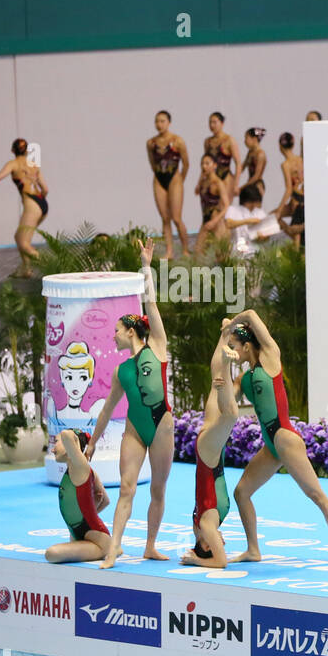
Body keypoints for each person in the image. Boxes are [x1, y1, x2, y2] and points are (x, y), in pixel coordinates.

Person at [226, 310, 328, 564]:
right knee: (241, 492)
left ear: (247, 346)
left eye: (234, 347)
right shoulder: (243, 378)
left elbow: (250, 313)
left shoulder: (270, 359)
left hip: (285, 437)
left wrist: (232, 323)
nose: (233, 352)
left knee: (315, 495)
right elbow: (229, 408)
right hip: (270, 446)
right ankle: (253, 550)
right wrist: (223, 360)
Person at [85, 239, 173, 568]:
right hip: (135, 430)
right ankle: (113, 549)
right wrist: (93, 443)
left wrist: (146, 266)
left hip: (162, 428)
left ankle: (150, 545)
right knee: (126, 487)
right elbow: (108, 410)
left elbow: (150, 304)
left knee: (159, 490)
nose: (114, 335)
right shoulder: (121, 370)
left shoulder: (157, 346)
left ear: (132, 331)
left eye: (118, 330)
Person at [182, 328, 241, 569]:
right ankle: (225, 332)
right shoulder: (200, 526)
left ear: (204, 545)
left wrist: (194, 560)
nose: (221, 542)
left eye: (214, 544)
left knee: (231, 416)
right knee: (214, 384)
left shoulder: (206, 525)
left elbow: (221, 563)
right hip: (211, 456)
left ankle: (226, 365)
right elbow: (211, 549)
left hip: (209, 458)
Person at [44, 429, 112, 564]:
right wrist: (89, 514)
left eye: (56, 442)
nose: (52, 449)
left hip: (98, 543)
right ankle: (113, 547)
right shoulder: (79, 469)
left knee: (51, 554)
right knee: (53, 553)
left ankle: (110, 548)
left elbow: (67, 434)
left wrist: (74, 438)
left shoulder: (80, 467)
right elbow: (105, 500)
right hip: (79, 534)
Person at [0, 137, 50, 278]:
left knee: (23, 243)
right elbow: (45, 189)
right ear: (27, 150)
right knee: (19, 237)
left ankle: (52, 266)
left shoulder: (13, 164)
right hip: (42, 203)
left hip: (32, 204)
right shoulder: (33, 165)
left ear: (12, 150)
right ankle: (26, 270)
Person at [147, 110, 190, 257]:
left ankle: (185, 249)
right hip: (159, 179)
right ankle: (169, 250)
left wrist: (180, 180)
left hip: (174, 178)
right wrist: (159, 174)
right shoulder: (151, 143)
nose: (159, 124)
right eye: (157, 121)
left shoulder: (177, 141)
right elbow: (152, 163)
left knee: (176, 218)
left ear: (169, 123)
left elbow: (186, 164)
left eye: (162, 121)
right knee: (165, 218)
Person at [46, 341, 106, 436]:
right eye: (69, 377)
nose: (75, 384)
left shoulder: (93, 414)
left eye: (83, 377)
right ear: (62, 378)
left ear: (90, 379)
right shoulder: (54, 412)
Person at [274, 132, 305, 248]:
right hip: (304, 198)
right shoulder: (300, 159)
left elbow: (288, 189)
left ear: (280, 146)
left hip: (296, 200)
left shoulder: (286, 164)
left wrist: (279, 209)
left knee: (274, 217)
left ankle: (295, 240)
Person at [223, 184, 272, 259]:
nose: (253, 204)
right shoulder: (232, 209)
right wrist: (248, 221)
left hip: (255, 252)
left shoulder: (260, 213)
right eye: (251, 202)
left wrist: (262, 237)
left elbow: (267, 237)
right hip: (237, 253)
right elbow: (228, 224)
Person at [194, 153, 227, 252]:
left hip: (215, 217)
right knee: (198, 251)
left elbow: (226, 206)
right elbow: (196, 191)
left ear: (215, 165)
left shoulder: (218, 183)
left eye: (207, 163)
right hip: (205, 218)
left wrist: (215, 221)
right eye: (202, 164)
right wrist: (201, 177)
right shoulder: (204, 182)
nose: (204, 166)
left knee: (220, 254)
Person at [202, 111, 237, 204]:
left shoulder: (229, 140)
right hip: (212, 178)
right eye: (210, 122)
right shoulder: (207, 141)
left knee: (225, 210)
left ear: (222, 123)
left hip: (226, 177)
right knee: (212, 209)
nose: (212, 125)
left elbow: (238, 163)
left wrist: (236, 184)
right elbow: (205, 163)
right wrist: (200, 181)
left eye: (214, 122)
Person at [239, 127, 267, 200]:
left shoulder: (260, 154)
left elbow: (256, 176)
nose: (245, 141)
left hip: (257, 185)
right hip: (250, 183)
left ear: (254, 139)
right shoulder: (250, 152)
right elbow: (242, 167)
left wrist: (242, 187)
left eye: (246, 138)